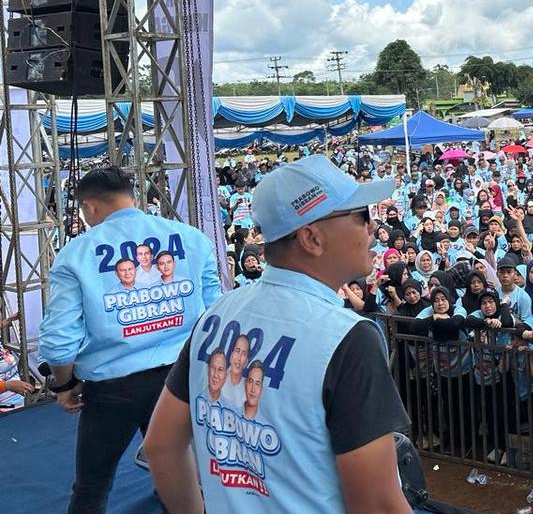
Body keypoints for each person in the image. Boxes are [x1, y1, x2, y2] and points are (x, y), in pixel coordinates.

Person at [143, 155, 413, 513]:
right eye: (361, 215)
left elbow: (161, 444)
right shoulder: (346, 338)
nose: (372, 227)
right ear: (312, 238)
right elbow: (378, 505)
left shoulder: (216, 315)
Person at [40, 166, 221, 514]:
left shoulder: (77, 253)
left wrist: (64, 385)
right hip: (181, 377)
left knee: (93, 484)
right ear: (132, 196)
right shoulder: (191, 238)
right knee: (185, 477)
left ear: (89, 207)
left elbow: (59, 337)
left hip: (112, 386)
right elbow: (215, 311)